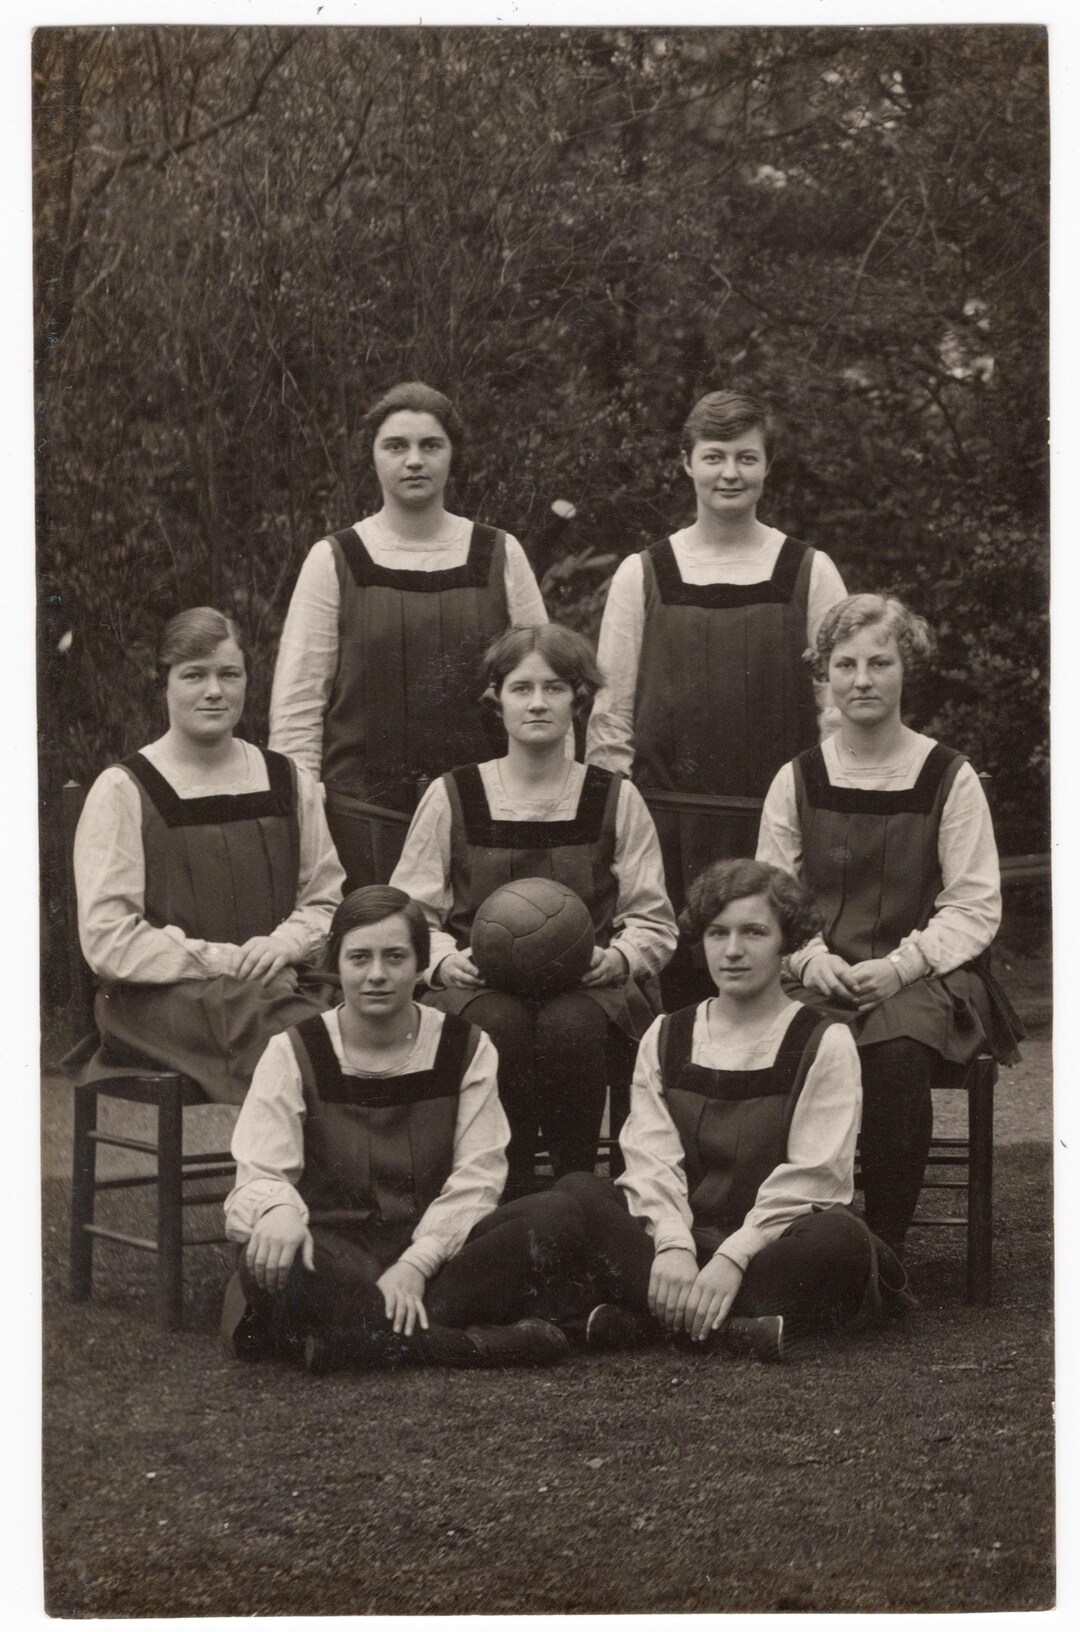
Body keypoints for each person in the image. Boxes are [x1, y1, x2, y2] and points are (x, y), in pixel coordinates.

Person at [221, 886, 589, 1372]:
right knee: (269, 1253)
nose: (377, 974)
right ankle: (463, 1345)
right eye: (359, 958)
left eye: (395, 957)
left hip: (435, 1259)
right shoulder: (294, 1050)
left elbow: (478, 1177)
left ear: (420, 965)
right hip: (336, 1257)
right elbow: (259, 1171)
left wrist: (416, 1264)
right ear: (336, 964)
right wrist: (278, 1211)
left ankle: (356, 1338)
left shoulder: (465, 1045)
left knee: (560, 1213)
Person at [756, 593, 1024, 1256]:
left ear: (907, 668)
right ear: (824, 675)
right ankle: (796, 1241)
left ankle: (883, 1254)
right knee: (787, 1039)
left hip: (925, 977)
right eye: (845, 665)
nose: (863, 680)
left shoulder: (949, 776)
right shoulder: (797, 779)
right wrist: (812, 959)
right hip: (817, 973)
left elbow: (973, 903)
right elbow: (773, 898)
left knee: (896, 1050)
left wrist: (901, 967)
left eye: (880, 662)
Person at [553, 860, 896, 1359]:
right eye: (718, 933)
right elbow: (650, 1157)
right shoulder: (667, 1033)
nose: (733, 950)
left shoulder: (824, 1040)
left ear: (786, 943)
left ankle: (648, 1319)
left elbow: (815, 1176)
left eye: (754, 932)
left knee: (839, 1239)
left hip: (770, 1244)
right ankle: (735, 1329)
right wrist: (673, 1245)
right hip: (679, 1242)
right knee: (578, 1192)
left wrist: (733, 1257)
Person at [390, 623, 678, 1192]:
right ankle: (508, 1192)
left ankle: (578, 1190)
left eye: (555, 688)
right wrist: (444, 962)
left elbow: (653, 919)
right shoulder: (454, 793)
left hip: (589, 988)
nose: (538, 703)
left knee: (571, 1026)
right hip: (480, 986)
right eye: (521, 688)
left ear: (579, 700)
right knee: (497, 1024)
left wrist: (619, 959)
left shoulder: (614, 796)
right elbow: (411, 913)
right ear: (496, 700)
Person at [585, 389, 847, 1004]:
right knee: (676, 999)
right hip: (667, 826)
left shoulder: (810, 570)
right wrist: (617, 820)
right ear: (687, 463)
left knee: (773, 994)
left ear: (767, 465)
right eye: (714, 456)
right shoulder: (643, 573)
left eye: (746, 458)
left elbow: (835, 709)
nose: (730, 473)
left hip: (776, 820)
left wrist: (828, 808)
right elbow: (611, 711)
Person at [268, 381, 553, 890]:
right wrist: (303, 821)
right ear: (373, 456)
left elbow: (546, 688)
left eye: (431, 445)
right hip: (361, 822)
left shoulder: (500, 554)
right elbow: (298, 707)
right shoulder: (334, 559)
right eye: (396, 446)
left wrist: (548, 799)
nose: (414, 460)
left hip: (484, 821)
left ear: (452, 454)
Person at [72, 607, 344, 1104]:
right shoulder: (123, 789)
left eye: (229, 674)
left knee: (366, 1027)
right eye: (194, 675)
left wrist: (285, 944)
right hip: (162, 999)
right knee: (313, 1046)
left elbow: (325, 900)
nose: (214, 690)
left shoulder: (288, 779)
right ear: (164, 684)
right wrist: (228, 962)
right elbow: (109, 940)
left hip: (283, 980)